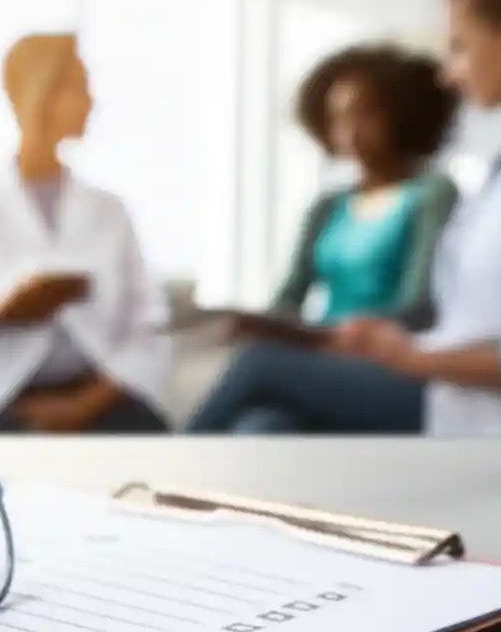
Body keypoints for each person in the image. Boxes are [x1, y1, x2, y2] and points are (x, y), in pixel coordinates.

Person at [194, 0, 501, 436]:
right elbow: (471, 324)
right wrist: (387, 346)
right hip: (457, 400)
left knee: (259, 365)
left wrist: (415, 358)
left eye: (460, 46)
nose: (449, 73)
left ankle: (148, 474)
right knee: (266, 427)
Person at [189, 46, 460, 433]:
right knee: (263, 427)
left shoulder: (432, 194)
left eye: (365, 115)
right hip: (326, 361)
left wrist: (333, 336)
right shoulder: (329, 205)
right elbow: (289, 298)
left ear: (401, 115)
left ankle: (159, 465)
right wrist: (259, 323)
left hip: (390, 364)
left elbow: (419, 307)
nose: (350, 131)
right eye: (338, 118)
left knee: (258, 362)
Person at [0, 33, 171, 436]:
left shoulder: (110, 211)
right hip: (0, 398)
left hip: (96, 395)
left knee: (157, 450)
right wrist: (3, 309)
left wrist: (81, 406)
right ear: (42, 93)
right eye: (79, 87)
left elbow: (149, 329)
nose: (91, 101)